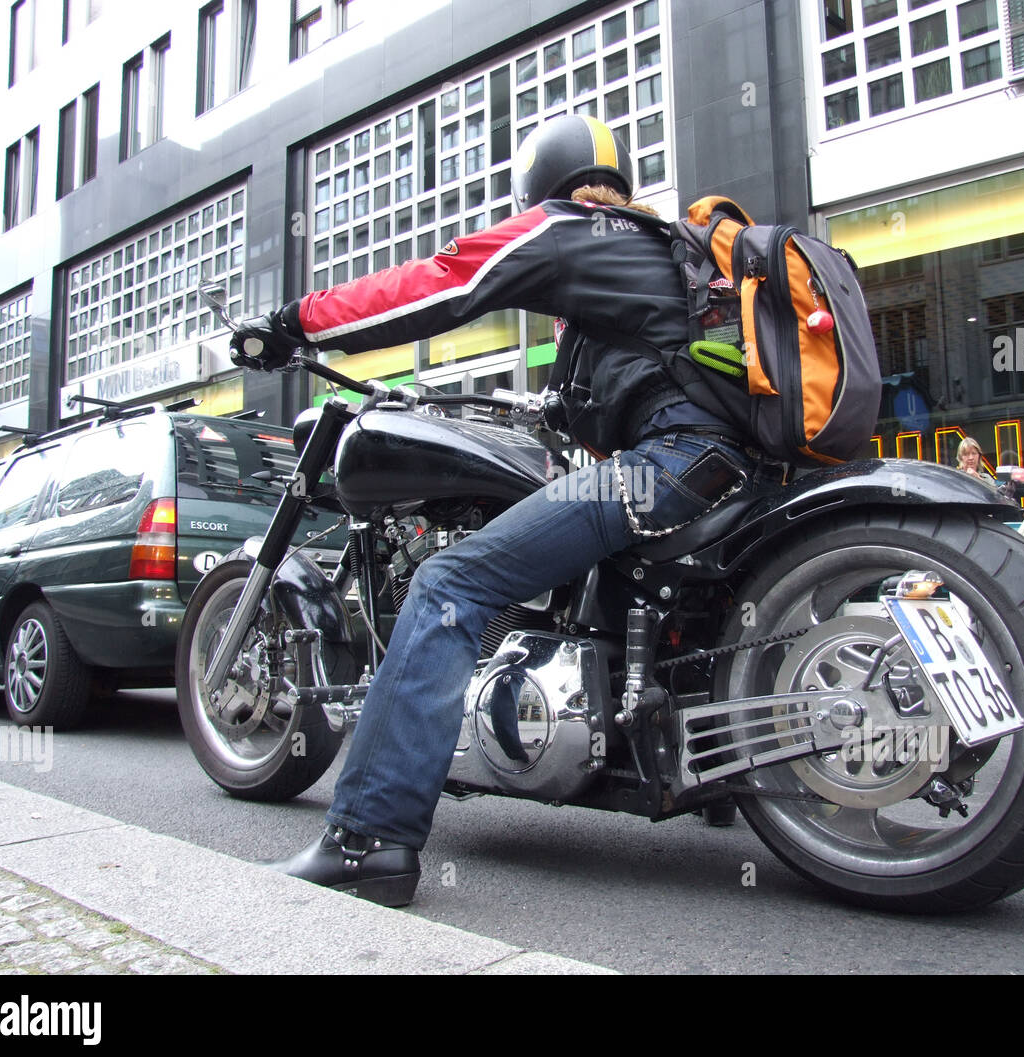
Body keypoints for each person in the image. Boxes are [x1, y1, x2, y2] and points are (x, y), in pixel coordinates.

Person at [229, 114, 771, 907]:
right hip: (728, 469)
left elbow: (443, 282)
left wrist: (295, 322)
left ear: (541, 187)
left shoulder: (573, 229)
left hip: (668, 466)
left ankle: (369, 839)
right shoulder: (664, 248)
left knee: (449, 584)